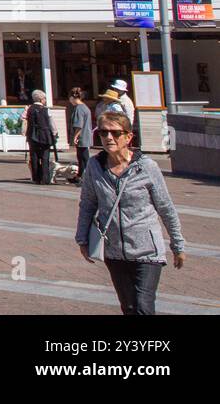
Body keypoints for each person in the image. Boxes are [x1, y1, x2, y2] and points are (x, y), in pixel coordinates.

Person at [77, 111, 186, 315]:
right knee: (128, 308)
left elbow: (166, 207)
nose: (109, 137)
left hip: (147, 252)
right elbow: (88, 204)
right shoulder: (95, 166)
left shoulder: (146, 167)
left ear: (128, 137)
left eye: (115, 133)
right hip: (114, 250)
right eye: (103, 133)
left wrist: (177, 244)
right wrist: (82, 238)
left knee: (143, 307)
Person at [22, 90, 57, 184]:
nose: (45, 100)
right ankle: (45, 179)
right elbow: (51, 123)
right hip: (45, 135)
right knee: (45, 157)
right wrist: (54, 133)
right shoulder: (46, 110)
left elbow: (23, 120)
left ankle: (36, 178)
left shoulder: (29, 109)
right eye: (45, 98)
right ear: (41, 99)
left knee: (34, 157)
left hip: (32, 135)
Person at [68, 87, 93, 179]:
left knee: (83, 157)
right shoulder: (85, 107)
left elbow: (79, 124)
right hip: (86, 135)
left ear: (72, 97)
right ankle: (81, 175)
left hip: (82, 136)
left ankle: (86, 175)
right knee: (82, 156)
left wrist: (75, 136)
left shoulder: (79, 108)